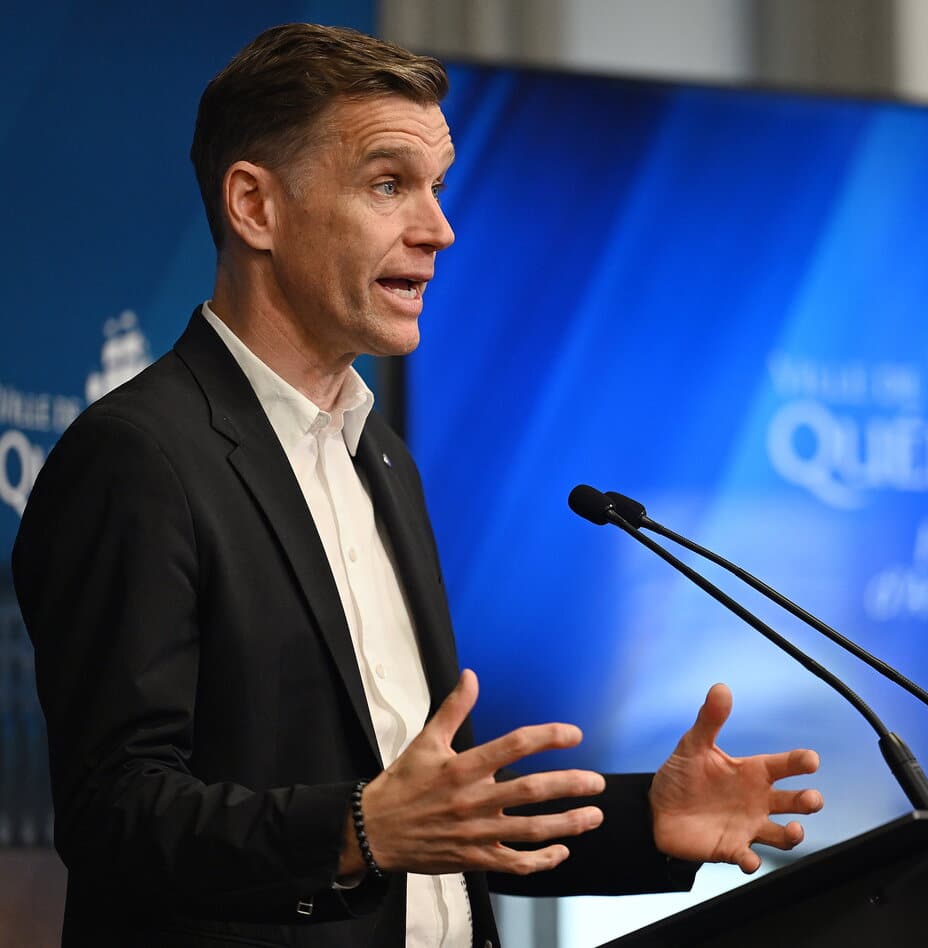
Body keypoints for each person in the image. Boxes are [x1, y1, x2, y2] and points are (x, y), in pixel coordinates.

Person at [12, 23, 823, 948]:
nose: (438, 229)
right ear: (254, 207)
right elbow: (116, 814)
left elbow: (436, 818)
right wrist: (356, 832)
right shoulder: (140, 459)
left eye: (438, 187)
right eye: (389, 184)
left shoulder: (382, 457)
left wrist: (648, 823)